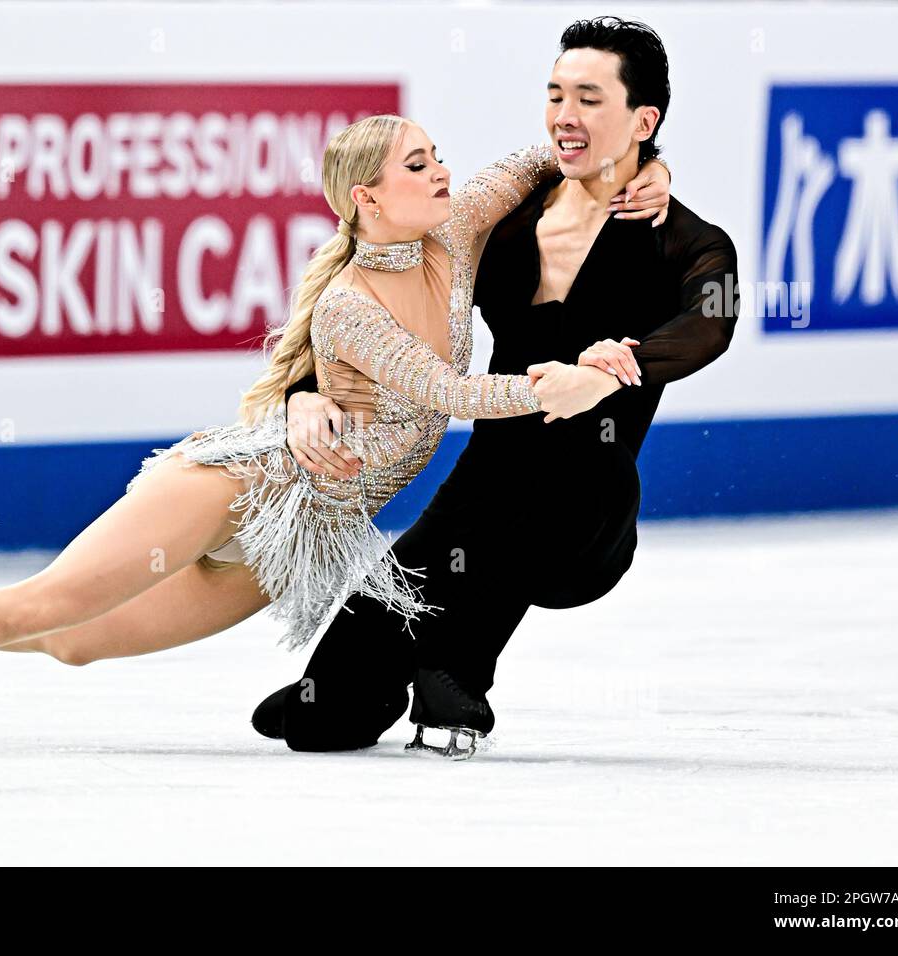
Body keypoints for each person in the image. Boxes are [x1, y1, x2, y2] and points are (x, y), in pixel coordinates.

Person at [0, 110, 671, 755]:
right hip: (237, 486)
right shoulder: (349, 304)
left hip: (295, 542)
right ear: (366, 202)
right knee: (43, 604)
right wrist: (566, 387)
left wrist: (647, 166)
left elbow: (538, 159)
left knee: (75, 642)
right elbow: (446, 391)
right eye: (417, 164)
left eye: (436, 155)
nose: (441, 171)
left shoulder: (458, 232)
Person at [253, 16, 740, 757]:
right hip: (476, 498)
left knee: (533, 493)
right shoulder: (505, 226)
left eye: (587, 97)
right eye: (553, 95)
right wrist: (309, 392)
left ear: (645, 120)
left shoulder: (690, 243)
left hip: (588, 512)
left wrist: (611, 369)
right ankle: (360, 680)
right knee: (326, 722)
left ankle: (454, 668)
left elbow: (712, 323)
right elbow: (383, 299)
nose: (564, 116)